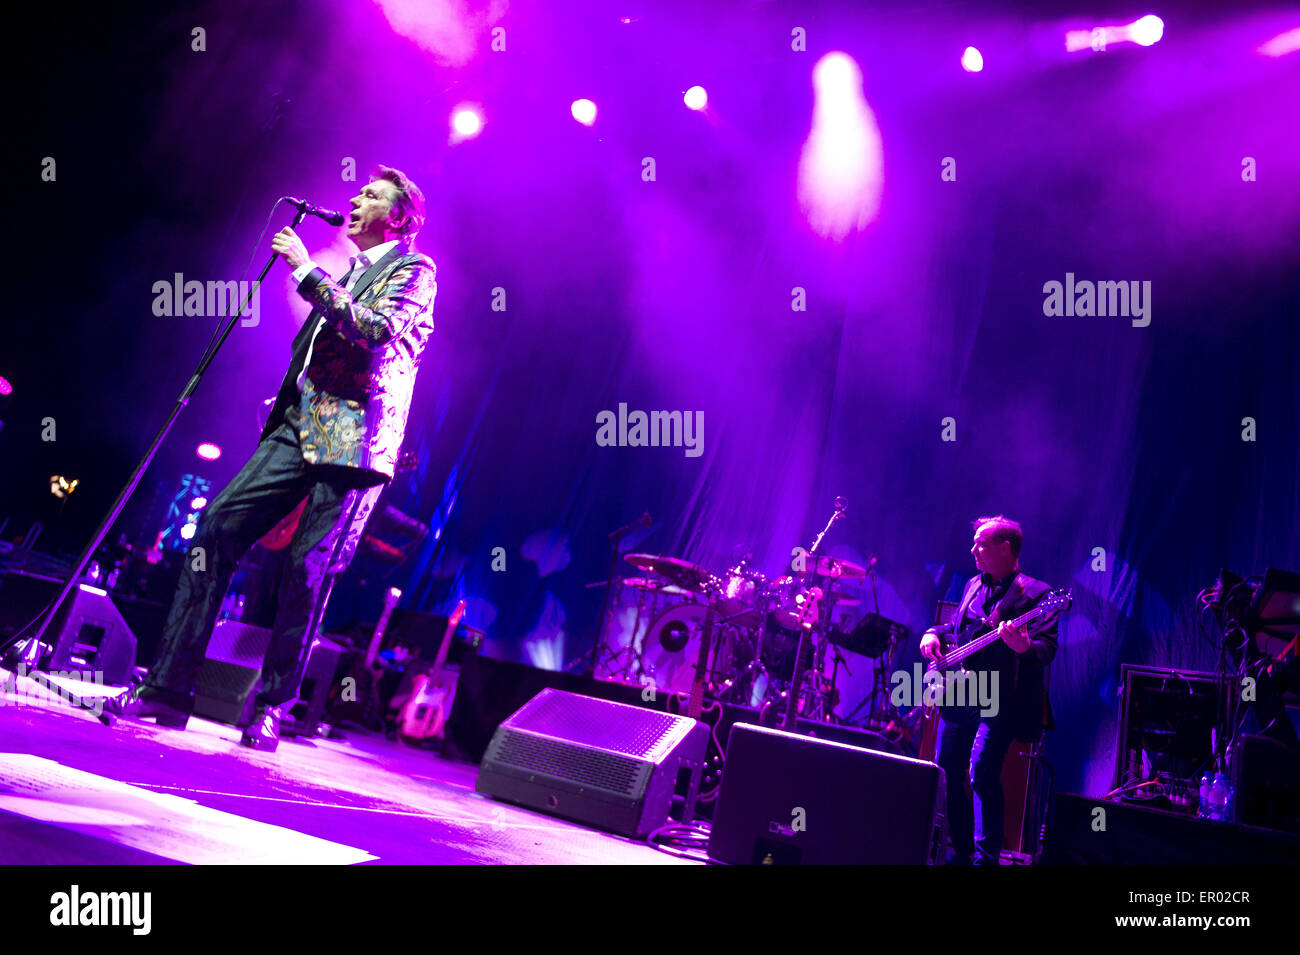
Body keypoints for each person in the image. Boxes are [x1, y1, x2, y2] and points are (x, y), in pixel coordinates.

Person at [106, 166, 437, 752]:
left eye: (372, 195)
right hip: (294, 427)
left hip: (353, 443)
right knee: (216, 530)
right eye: (357, 190)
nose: (355, 197)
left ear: (400, 217)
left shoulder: (415, 270)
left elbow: (377, 332)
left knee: (307, 574)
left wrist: (308, 271)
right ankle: (167, 688)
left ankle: (270, 709)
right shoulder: (352, 272)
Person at [919, 515, 1057, 864]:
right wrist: (933, 633)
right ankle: (963, 853)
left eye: (980, 543)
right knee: (945, 772)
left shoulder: (1038, 594)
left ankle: (986, 860)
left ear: (1005, 548)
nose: (973, 550)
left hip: (1003, 701)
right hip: (964, 692)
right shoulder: (973, 586)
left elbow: (1045, 649)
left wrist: (1023, 647)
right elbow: (956, 629)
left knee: (980, 771)